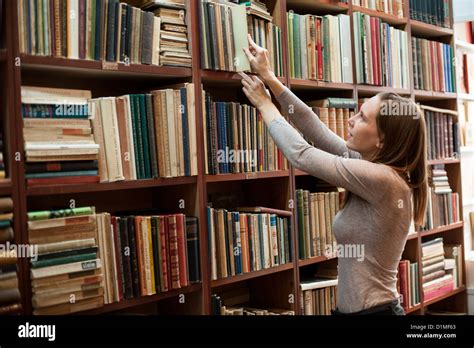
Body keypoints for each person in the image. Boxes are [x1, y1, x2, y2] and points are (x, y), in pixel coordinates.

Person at [240, 35, 428, 315]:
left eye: (363, 118)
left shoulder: (384, 180)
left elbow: (301, 154)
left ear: (383, 141)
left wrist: (264, 105)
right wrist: (269, 77)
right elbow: (316, 131)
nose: (351, 120)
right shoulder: (371, 169)